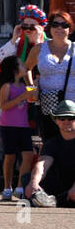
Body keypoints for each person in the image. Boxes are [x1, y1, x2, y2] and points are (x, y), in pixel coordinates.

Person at [25, 12, 74, 143]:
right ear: (49, 28)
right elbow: (26, 69)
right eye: (55, 24)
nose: (59, 28)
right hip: (50, 106)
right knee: (50, 144)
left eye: (64, 25)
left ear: (70, 29)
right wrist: (31, 89)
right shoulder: (39, 49)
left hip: (73, 108)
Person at [0, 55, 35, 202]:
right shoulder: (6, 86)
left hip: (23, 125)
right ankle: (7, 187)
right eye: (22, 65)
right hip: (8, 126)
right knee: (10, 156)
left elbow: (32, 98)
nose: (25, 67)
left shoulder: (24, 85)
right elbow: (3, 105)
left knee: (28, 155)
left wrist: (30, 86)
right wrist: (21, 97)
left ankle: (20, 186)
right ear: (14, 70)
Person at [28, 98, 75, 208]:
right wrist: (33, 183)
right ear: (56, 120)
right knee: (28, 180)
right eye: (62, 118)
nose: (66, 121)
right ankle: (51, 199)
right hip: (62, 185)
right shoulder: (51, 144)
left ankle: (53, 200)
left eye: (71, 118)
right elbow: (43, 165)